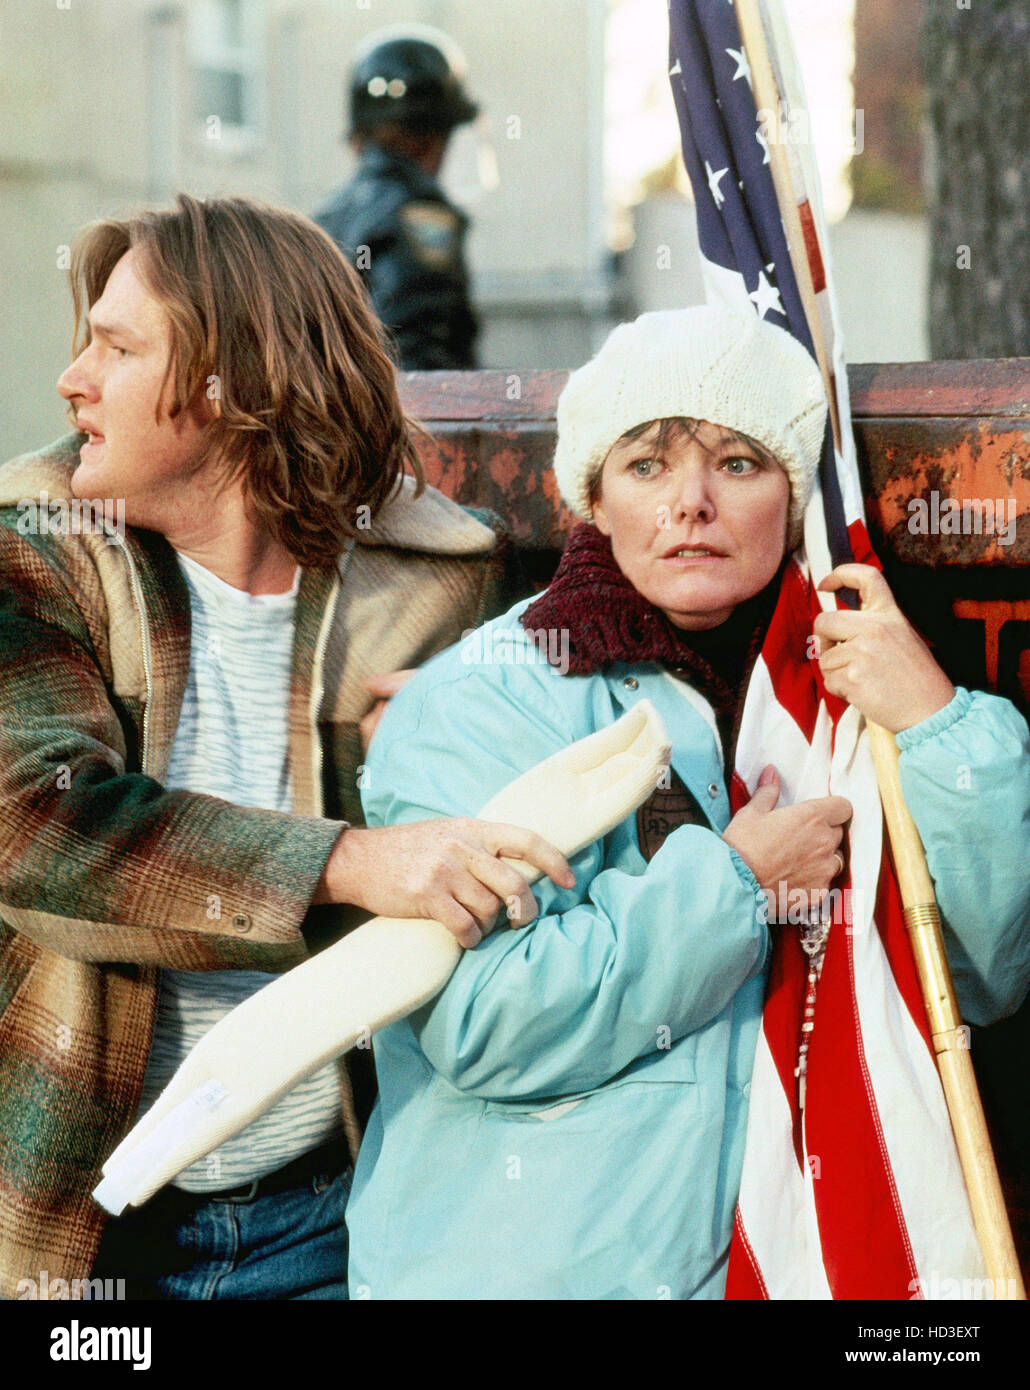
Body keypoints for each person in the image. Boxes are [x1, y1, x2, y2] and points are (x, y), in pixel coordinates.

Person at [344, 306, 1030, 1299]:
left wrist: (937, 726)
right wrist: (738, 885)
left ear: (789, 492)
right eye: (648, 464)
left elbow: (972, 976)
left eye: (737, 463)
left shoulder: (839, 696)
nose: (691, 503)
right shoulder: (482, 694)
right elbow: (487, 1018)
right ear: (593, 496)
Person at [0, 193, 572, 1301]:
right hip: (78, 1229)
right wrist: (357, 859)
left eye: (117, 347)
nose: (73, 378)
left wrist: (453, 740)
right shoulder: (39, 551)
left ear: (235, 385)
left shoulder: (436, 582)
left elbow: (517, 862)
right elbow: (31, 828)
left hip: (346, 1208)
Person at [314, 25, 480, 370]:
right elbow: (421, 360)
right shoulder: (421, 213)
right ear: (433, 137)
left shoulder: (329, 216)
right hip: (397, 420)